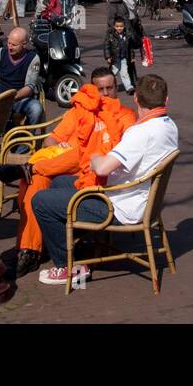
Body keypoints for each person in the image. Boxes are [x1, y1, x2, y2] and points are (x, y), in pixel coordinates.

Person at [32, 73, 178, 286]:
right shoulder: (169, 125)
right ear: (166, 100)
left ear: (136, 98)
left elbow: (102, 167)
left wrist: (93, 154)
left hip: (121, 207)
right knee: (60, 182)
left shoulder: (140, 133)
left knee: (41, 201)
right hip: (142, 197)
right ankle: (80, 246)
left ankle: (68, 267)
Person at [0, 68, 137, 278]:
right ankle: (29, 251)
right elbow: (50, 140)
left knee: (81, 155)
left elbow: (118, 154)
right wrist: (59, 146)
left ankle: (30, 167)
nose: (106, 93)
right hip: (63, 170)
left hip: (96, 172)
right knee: (36, 180)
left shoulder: (124, 115)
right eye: (101, 89)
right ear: (92, 89)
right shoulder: (79, 111)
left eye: (110, 88)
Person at [0, 28, 46, 128]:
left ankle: (26, 140)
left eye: (14, 45)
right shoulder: (0, 54)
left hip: (20, 99)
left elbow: (30, 87)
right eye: (9, 43)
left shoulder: (33, 58)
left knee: (36, 108)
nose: (10, 47)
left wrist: (12, 96)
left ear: (24, 44)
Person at [106, 16, 137, 92]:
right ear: (114, 26)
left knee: (124, 73)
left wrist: (132, 57)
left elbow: (130, 48)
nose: (119, 28)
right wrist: (108, 57)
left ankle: (129, 87)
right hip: (114, 59)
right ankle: (110, 87)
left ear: (124, 26)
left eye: (121, 26)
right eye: (117, 26)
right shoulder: (110, 35)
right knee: (112, 74)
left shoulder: (126, 35)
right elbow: (106, 47)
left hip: (123, 58)